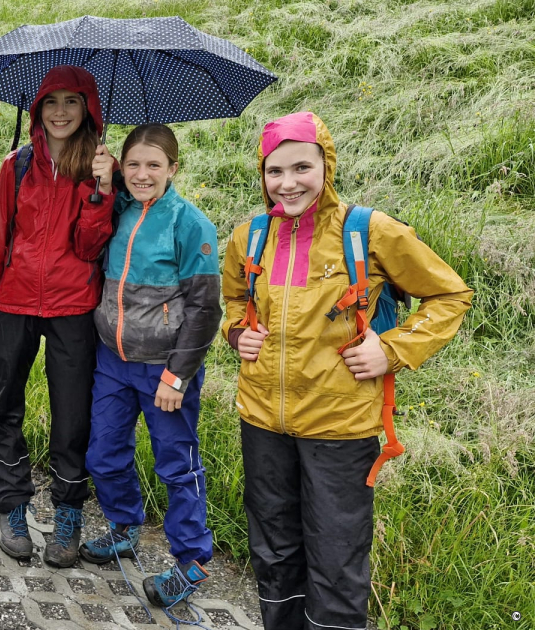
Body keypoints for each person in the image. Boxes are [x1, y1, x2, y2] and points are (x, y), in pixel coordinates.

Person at [221, 111, 472, 629]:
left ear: (326, 167)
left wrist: (393, 350)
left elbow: (450, 295)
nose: (287, 183)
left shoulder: (368, 231)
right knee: (273, 552)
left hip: (340, 427)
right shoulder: (249, 236)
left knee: (337, 561)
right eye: (274, 171)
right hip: (262, 420)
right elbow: (234, 301)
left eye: (302, 168)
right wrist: (236, 333)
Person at [0, 65, 117, 568]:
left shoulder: (99, 169)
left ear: (88, 109)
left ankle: (69, 512)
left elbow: (90, 246)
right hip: (12, 303)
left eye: (72, 101)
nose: (60, 112)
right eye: (51, 101)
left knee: (73, 415)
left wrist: (101, 192)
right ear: (37, 109)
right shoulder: (16, 166)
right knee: (5, 405)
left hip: (73, 306)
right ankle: (12, 505)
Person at [77, 124, 221, 607]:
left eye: (154, 165)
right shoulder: (117, 207)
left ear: (173, 169)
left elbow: (205, 310)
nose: (142, 174)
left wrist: (177, 376)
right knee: (103, 454)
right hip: (113, 361)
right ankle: (124, 526)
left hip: (165, 370)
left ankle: (192, 562)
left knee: (177, 466)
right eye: (133, 164)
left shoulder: (190, 224)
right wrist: (105, 182)